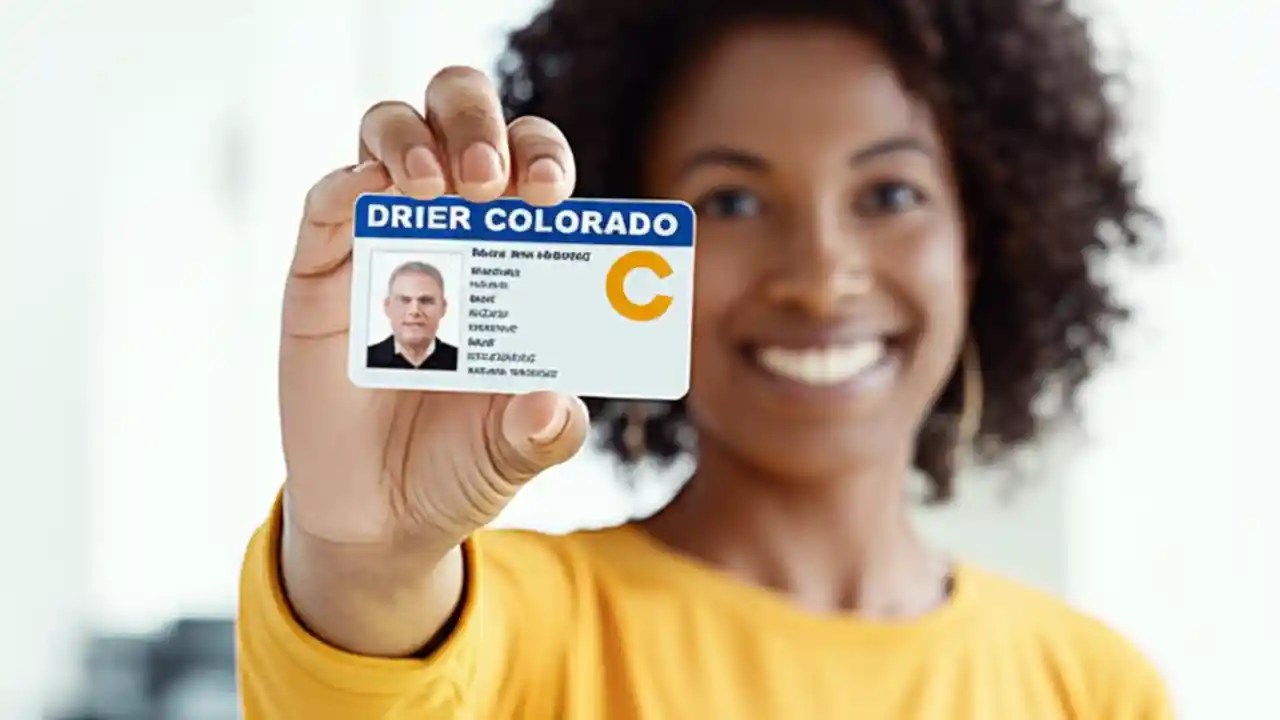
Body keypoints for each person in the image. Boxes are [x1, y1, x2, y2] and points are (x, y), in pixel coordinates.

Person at [239, 0, 1172, 717]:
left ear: (987, 242)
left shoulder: (1089, 687)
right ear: (624, 245)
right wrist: (363, 564)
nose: (820, 278)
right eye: (730, 202)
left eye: (889, 193)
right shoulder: (511, 635)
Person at [366, 260, 459, 370]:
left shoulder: (462, 362)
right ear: (387, 306)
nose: (414, 311)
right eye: (404, 300)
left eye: (426, 301)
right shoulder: (365, 360)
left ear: (443, 308)